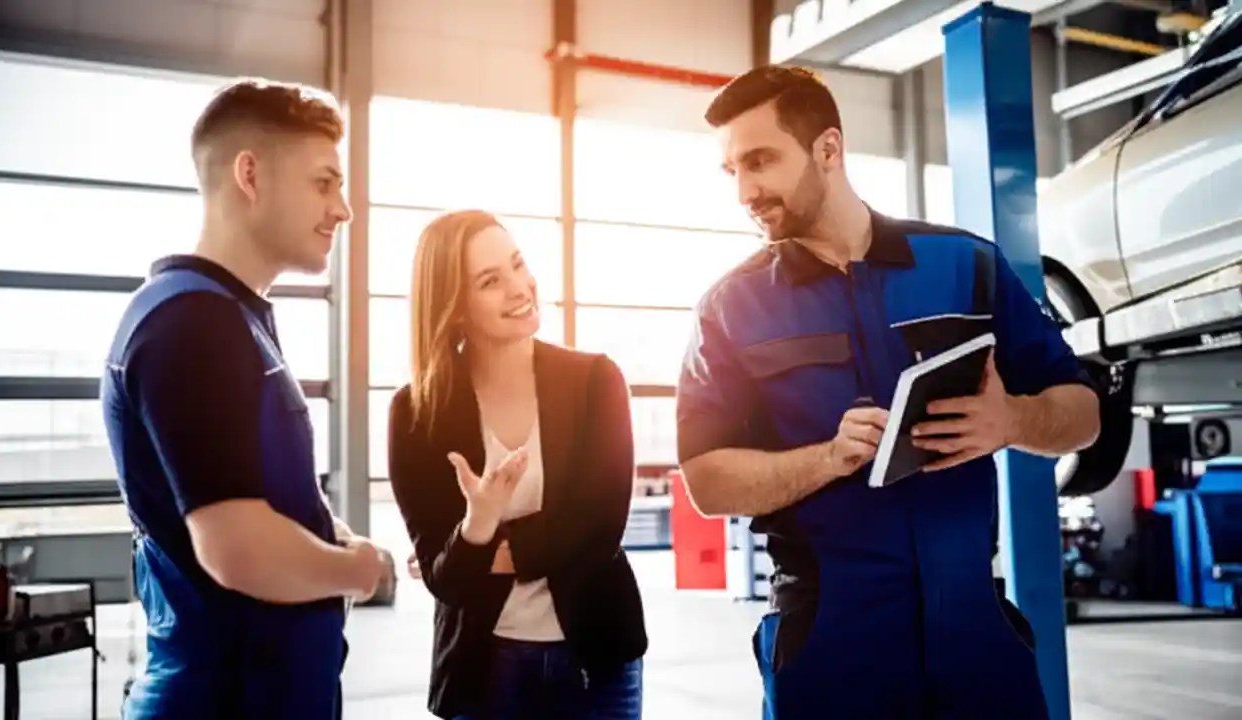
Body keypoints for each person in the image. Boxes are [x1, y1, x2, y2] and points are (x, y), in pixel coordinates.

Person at [676, 66, 1102, 719]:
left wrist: (1010, 419)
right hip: (831, 646)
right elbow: (707, 481)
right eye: (731, 171)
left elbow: (1084, 415)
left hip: (976, 633)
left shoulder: (966, 266)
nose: (745, 191)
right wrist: (828, 458)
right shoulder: (730, 310)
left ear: (828, 149)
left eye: (760, 161)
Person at [100, 78, 384, 719]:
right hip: (226, 701)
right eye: (323, 182)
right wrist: (358, 570)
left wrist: (326, 533)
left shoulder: (226, 317)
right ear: (250, 175)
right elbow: (238, 548)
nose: (343, 209)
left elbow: (252, 495)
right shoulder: (194, 325)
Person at [388, 209, 648, 720]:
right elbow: (447, 580)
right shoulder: (417, 412)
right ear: (454, 307)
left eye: (517, 264)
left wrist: (483, 548)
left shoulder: (596, 381)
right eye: (490, 281)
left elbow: (600, 530)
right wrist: (480, 521)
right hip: (483, 668)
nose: (518, 287)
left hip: (596, 657)